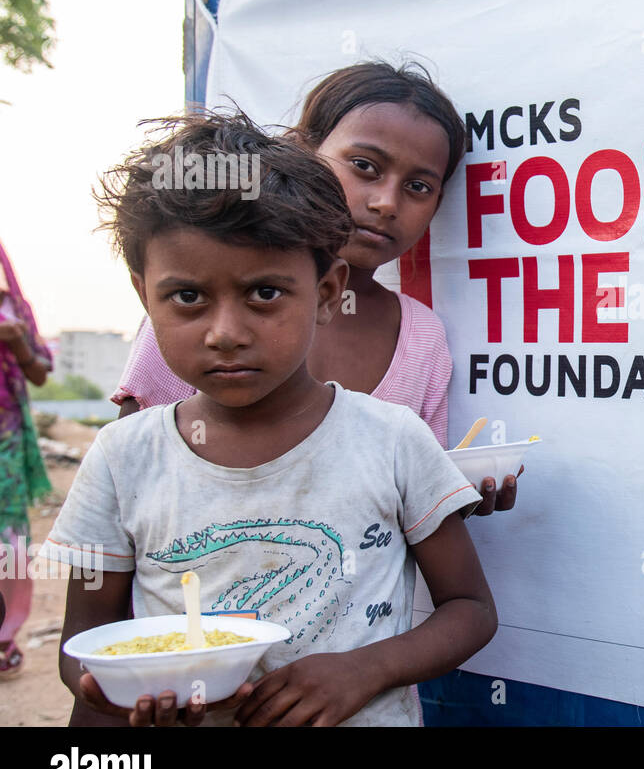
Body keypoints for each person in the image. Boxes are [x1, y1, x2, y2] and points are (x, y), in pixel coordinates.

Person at [42, 112, 496, 725]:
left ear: (330, 293)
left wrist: (368, 669)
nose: (226, 334)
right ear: (143, 293)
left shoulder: (391, 440)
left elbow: (468, 608)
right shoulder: (124, 458)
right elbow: (88, 641)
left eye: (264, 294)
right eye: (187, 298)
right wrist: (127, 696)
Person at [114, 61, 520, 515]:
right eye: (364, 166)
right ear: (303, 151)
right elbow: (129, 478)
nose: (387, 202)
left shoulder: (421, 337)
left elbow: (413, 496)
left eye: (418, 186)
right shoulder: (205, 316)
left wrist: (452, 500)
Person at [0, 239, 53, 679]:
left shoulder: (13, 309)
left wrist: (17, 342)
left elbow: (39, 371)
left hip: (6, 441)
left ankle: (4, 637)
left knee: (8, 544)